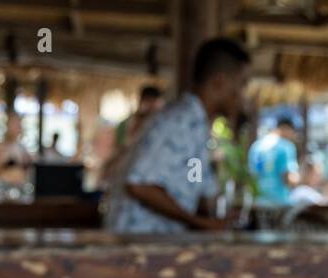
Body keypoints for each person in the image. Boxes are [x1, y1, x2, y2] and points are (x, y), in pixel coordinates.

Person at [105, 39, 250, 232]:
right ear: (219, 82)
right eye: (241, 85)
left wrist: (212, 211)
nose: (242, 95)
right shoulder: (179, 120)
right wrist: (199, 222)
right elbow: (139, 185)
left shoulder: (197, 127)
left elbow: (192, 181)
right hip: (138, 247)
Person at [248, 116, 300, 205]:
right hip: (280, 202)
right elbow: (288, 177)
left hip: (258, 201)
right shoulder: (286, 146)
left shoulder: (256, 146)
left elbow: (252, 175)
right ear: (287, 129)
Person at [0, 115, 33, 186]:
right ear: (7, 126)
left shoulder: (22, 148)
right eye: (14, 125)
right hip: (1, 187)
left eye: (19, 125)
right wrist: (3, 160)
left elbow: (29, 169)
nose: (18, 128)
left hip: (20, 188)